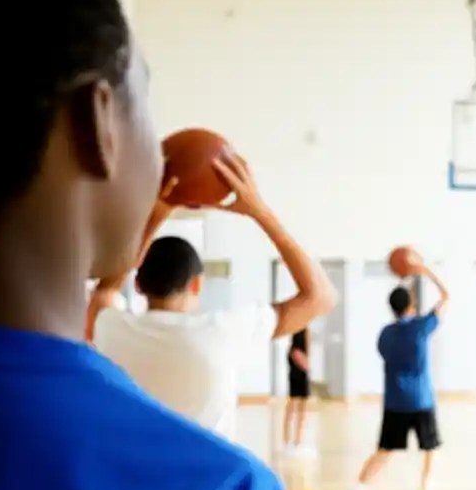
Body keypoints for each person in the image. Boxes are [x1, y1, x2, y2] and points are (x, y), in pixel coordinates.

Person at [0, 0, 304, 490]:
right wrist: (252, 209)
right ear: (99, 121)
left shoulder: (114, 323)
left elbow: (103, 292)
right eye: (145, 95)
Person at [88, 155, 337, 441]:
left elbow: (105, 291)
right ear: (196, 285)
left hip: (131, 481)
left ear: (139, 284)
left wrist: (158, 210)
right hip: (208, 483)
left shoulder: (112, 328)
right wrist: (259, 211)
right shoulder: (222, 332)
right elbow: (321, 296)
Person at [344, 262, 450, 490]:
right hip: (421, 401)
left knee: (383, 452)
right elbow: (446, 297)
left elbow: (386, 353)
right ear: (411, 305)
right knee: (431, 452)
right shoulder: (421, 327)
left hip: (395, 402)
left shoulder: (386, 334)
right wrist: (427, 272)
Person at [283, 328, 311, 456]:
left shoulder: (302, 329)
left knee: (298, 406)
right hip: (299, 369)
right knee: (295, 404)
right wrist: (306, 364)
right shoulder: (301, 330)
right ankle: (291, 440)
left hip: (299, 368)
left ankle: (296, 440)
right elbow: (296, 351)